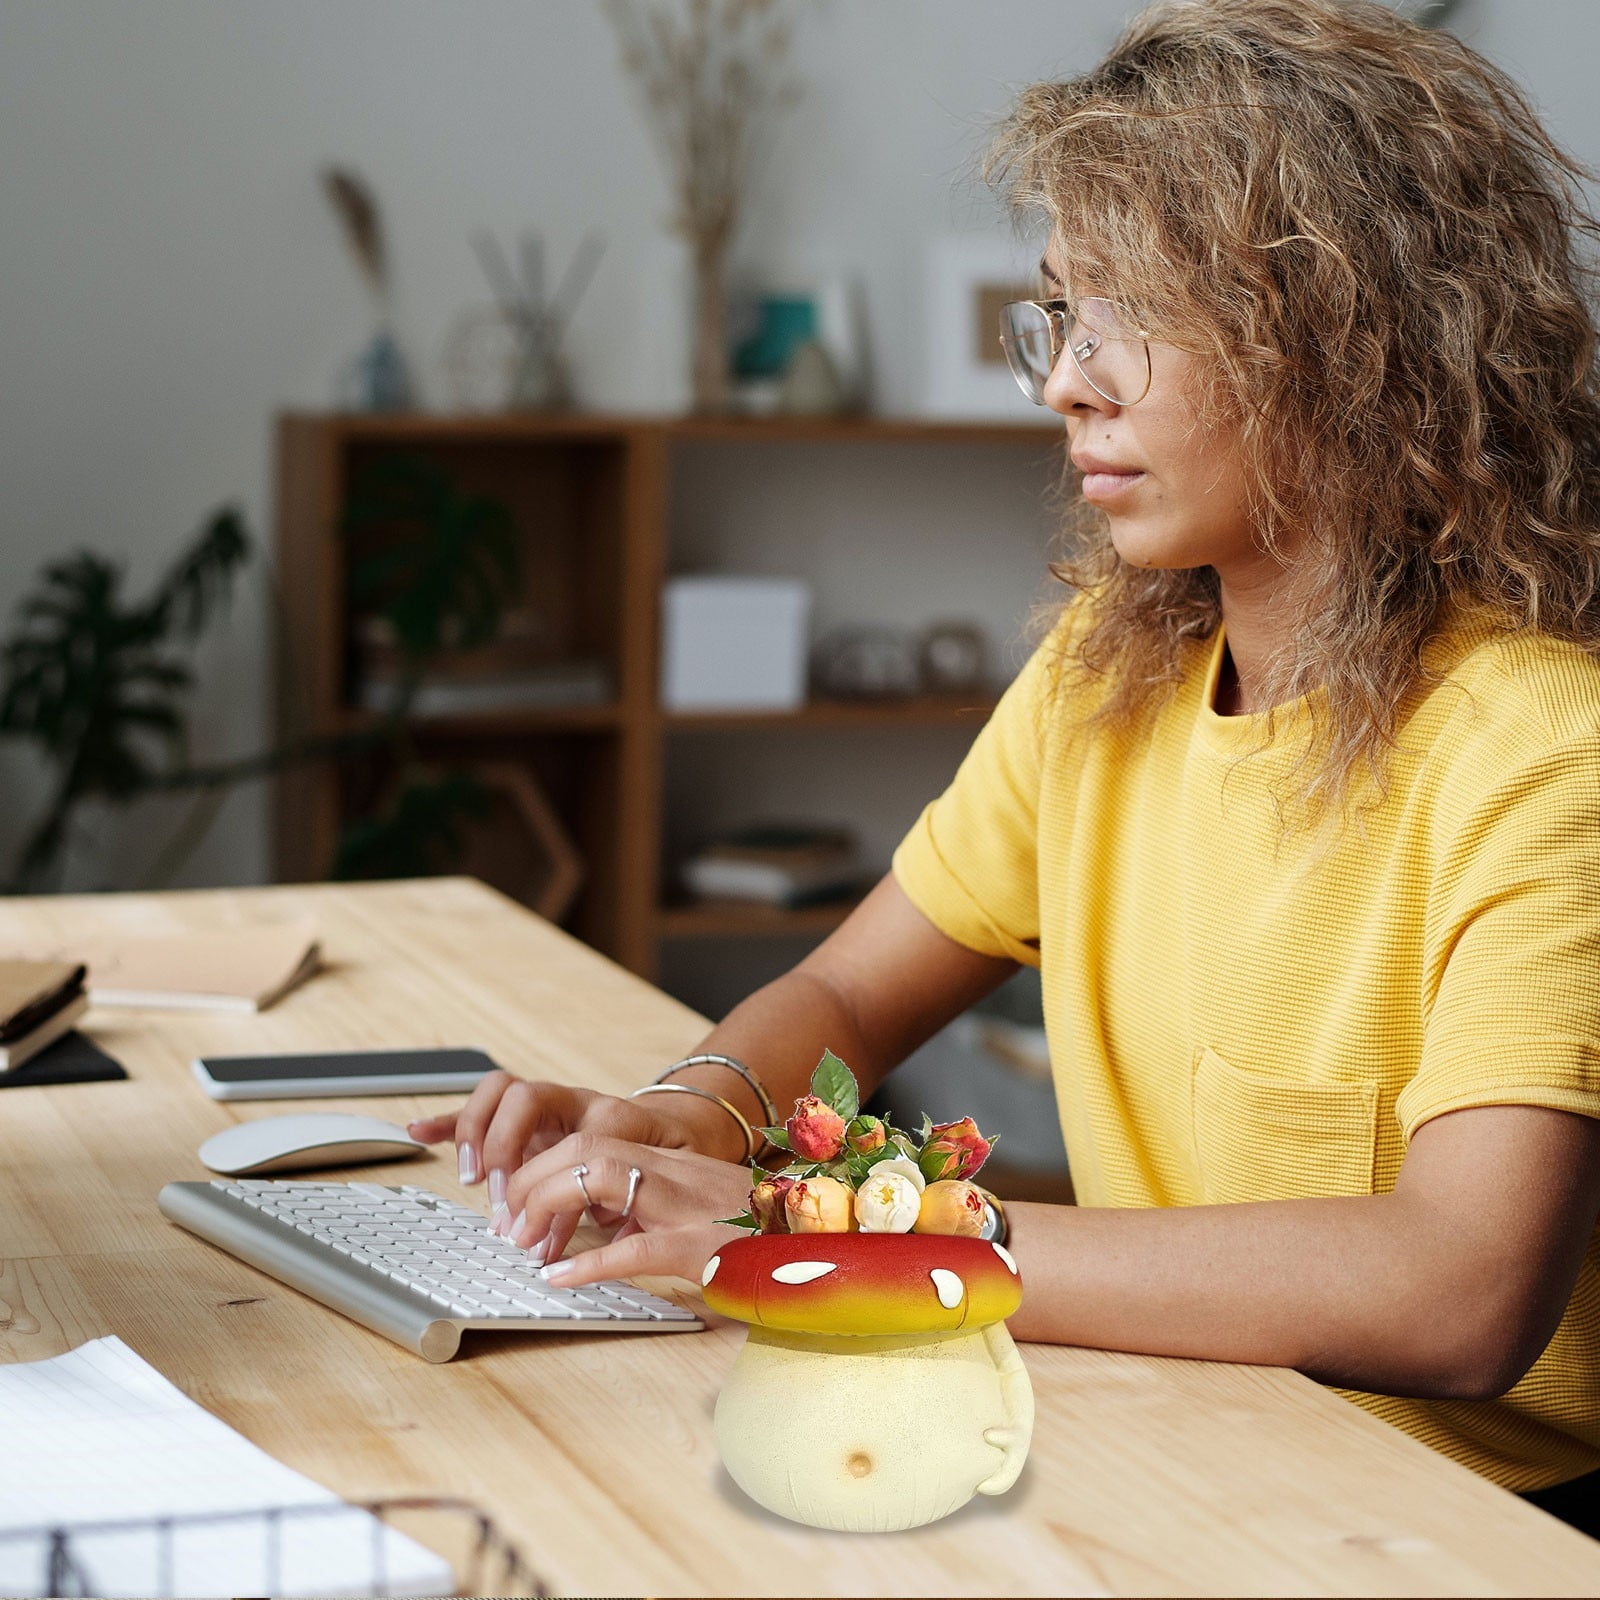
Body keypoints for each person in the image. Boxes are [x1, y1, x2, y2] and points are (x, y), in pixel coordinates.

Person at [410, 0, 1600, 1528]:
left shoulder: (1544, 747)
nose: (1066, 386)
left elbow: (1460, 1292)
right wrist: (690, 1117)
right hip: (1178, 1443)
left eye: (1133, 321)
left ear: (1359, 343)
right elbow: (847, 1002)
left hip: (1463, 1527)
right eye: (1061, 316)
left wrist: (826, 1232)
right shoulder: (1107, 672)